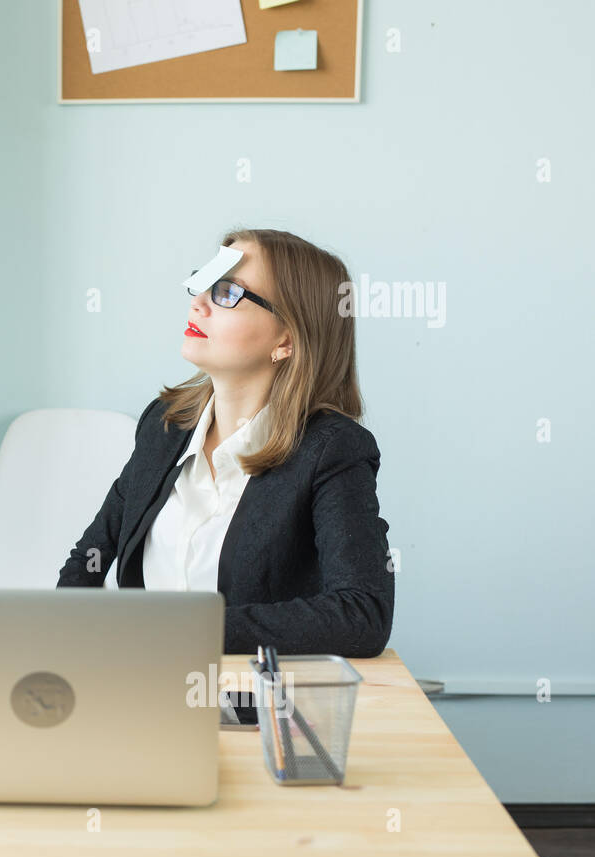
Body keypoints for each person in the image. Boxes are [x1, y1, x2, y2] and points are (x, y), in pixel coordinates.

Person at [57, 228, 394, 657]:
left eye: (227, 292)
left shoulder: (332, 449)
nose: (197, 303)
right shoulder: (165, 425)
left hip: (250, 714)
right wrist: (61, 640)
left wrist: (180, 630)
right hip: (138, 695)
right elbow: (88, 559)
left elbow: (363, 615)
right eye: (203, 284)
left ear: (286, 340)